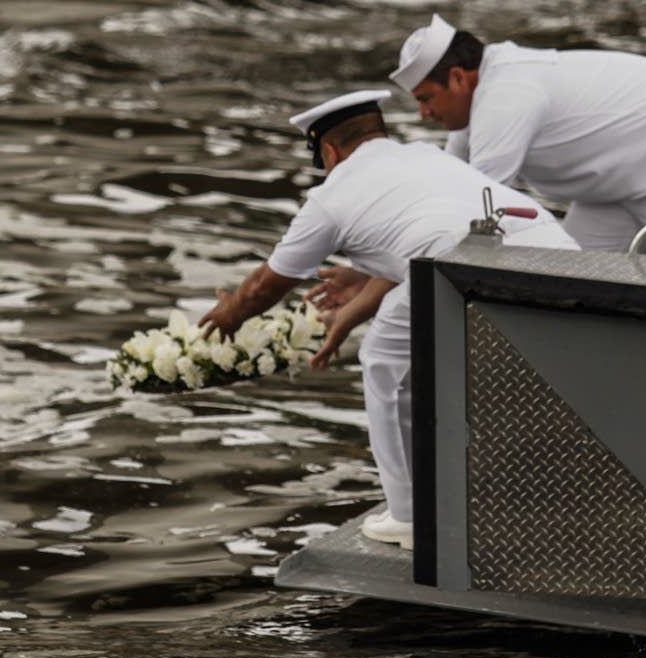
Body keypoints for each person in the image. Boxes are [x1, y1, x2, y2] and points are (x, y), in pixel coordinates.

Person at [198, 89, 572, 551]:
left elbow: (265, 286)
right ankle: (531, 491)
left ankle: (411, 517)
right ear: (379, 131)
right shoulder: (424, 157)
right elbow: (427, 231)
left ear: (328, 150)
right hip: (555, 247)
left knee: (387, 363)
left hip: (464, 263)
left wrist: (229, 314)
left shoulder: (331, 197)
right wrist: (363, 281)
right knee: (523, 374)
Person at [389, 16, 646, 257]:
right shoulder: (482, 96)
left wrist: (387, 276)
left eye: (425, 99)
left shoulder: (506, 93)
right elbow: (444, 192)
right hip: (617, 187)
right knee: (572, 280)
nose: (424, 114)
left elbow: (478, 206)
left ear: (457, 78)